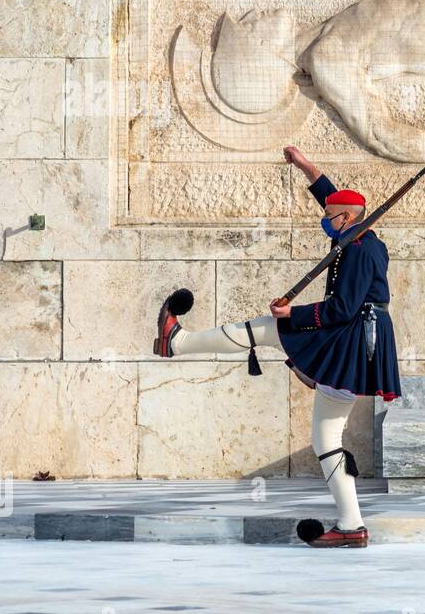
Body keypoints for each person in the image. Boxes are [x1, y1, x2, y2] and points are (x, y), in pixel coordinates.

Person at [152, 145, 401, 548]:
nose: (324, 219)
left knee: (270, 327)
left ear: (347, 219)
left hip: (350, 338)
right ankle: (351, 525)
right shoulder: (357, 236)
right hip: (357, 339)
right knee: (326, 438)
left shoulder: (358, 250)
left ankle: (177, 343)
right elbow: (332, 197)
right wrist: (307, 167)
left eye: (329, 216)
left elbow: (341, 309)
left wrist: (295, 316)